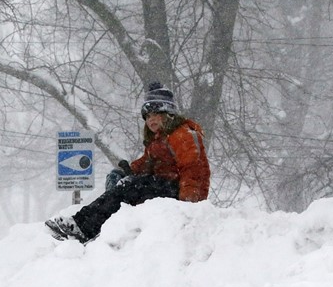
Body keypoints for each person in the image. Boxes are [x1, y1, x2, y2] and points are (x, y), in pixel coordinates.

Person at [46, 82, 210, 243]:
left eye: (156, 115)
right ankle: (99, 228)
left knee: (129, 187)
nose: (151, 120)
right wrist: (124, 172)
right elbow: (146, 164)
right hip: (164, 187)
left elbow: (193, 170)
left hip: (180, 193)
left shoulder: (183, 134)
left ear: (168, 114)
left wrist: (188, 206)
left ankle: (83, 226)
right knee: (124, 185)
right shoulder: (158, 140)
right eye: (148, 117)